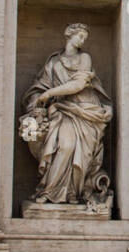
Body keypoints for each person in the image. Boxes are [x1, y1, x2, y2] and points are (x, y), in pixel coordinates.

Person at [21, 24, 113, 205]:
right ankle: (50, 191)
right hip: (62, 110)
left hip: (85, 110)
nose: (82, 41)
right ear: (68, 35)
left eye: (84, 38)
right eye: (80, 36)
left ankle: (74, 193)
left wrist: (49, 94)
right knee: (64, 146)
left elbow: (78, 85)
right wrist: (39, 98)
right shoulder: (53, 63)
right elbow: (39, 87)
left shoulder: (84, 58)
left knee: (79, 153)